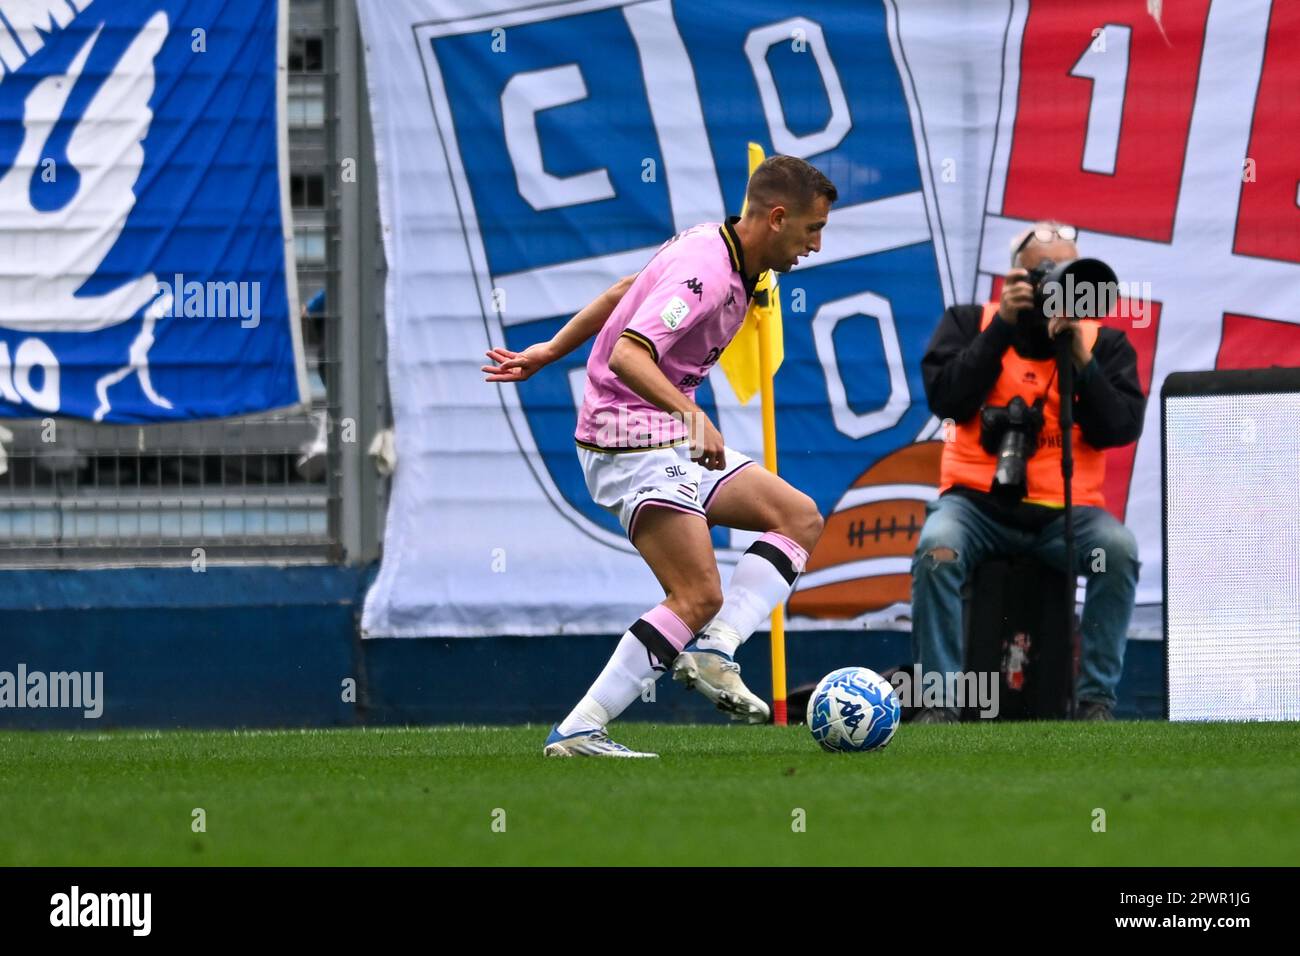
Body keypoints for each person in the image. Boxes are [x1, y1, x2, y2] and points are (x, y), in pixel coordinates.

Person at [483, 156, 836, 756]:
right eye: (812, 230)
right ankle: (579, 730)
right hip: (627, 439)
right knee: (697, 594)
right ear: (777, 218)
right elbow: (627, 354)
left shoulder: (718, 248)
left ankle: (716, 651)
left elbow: (627, 292)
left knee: (798, 517)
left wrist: (549, 350)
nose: (816, 246)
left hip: (662, 435)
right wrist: (692, 416)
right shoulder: (705, 273)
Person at [911, 221, 1147, 722]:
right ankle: (940, 703)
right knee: (937, 548)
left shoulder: (1102, 342)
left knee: (1119, 553)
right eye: (1046, 272)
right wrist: (1002, 329)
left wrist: (1082, 361)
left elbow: (1120, 428)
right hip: (976, 506)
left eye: (1069, 272)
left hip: (1066, 516)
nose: (1058, 286)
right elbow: (947, 400)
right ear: (1015, 277)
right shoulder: (970, 321)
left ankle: (1095, 701)